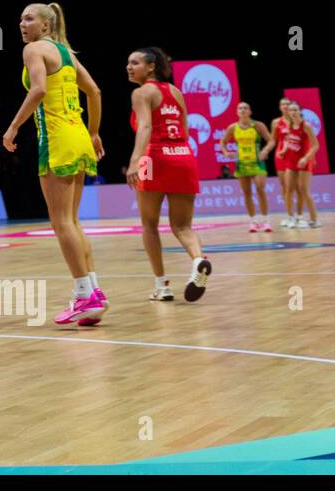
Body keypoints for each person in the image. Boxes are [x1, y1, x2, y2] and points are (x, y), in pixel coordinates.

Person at [2, 3, 107, 326]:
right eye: (20, 19)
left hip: (58, 140)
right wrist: (93, 133)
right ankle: (94, 293)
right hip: (78, 137)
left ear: (45, 25)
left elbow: (39, 90)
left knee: (61, 223)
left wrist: (14, 126)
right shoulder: (65, 52)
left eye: (29, 18)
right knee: (72, 221)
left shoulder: (34, 49)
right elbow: (95, 91)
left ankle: (83, 295)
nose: (22, 23)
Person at [126, 47, 209, 301]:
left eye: (135, 62)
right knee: (183, 226)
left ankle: (162, 286)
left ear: (151, 67)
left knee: (149, 225)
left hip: (153, 157)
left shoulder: (141, 92)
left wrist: (135, 160)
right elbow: (184, 128)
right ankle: (198, 261)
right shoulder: (176, 92)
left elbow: (146, 127)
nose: (129, 67)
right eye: (128, 63)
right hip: (183, 156)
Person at [220, 102, 274, 232]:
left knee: (260, 189)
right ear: (237, 112)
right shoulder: (233, 127)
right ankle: (254, 221)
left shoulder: (258, 125)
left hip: (257, 163)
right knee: (247, 193)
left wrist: (265, 151)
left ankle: (265, 221)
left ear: (250, 112)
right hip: (242, 164)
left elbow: (271, 140)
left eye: (245, 108)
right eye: (240, 108)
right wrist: (226, 152)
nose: (243, 110)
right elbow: (222, 142)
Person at [276, 101, 321, 229]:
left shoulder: (306, 126)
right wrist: (284, 150)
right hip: (291, 161)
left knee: (303, 190)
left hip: (304, 161)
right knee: (288, 189)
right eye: (291, 110)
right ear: (288, 113)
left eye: (295, 110)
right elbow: (288, 140)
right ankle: (291, 217)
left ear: (300, 111)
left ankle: (314, 220)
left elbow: (316, 145)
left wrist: (306, 158)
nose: (293, 112)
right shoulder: (289, 125)